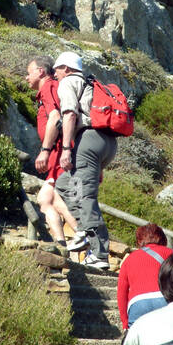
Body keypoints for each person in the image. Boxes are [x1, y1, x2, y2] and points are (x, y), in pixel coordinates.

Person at [55, 51, 117, 272]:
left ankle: (99, 254)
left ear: (67, 68)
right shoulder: (91, 82)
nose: (55, 74)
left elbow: (70, 114)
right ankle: (83, 229)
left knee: (86, 196)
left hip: (88, 139)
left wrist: (65, 148)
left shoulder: (69, 82)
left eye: (57, 69)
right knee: (64, 185)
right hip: (108, 143)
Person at [25, 57, 82, 252]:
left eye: (29, 72)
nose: (26, 77)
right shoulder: (48, 90)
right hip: (58, 154)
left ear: (41, 71)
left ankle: (81, 234)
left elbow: (55, 117)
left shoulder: (49, 86)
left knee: (58, 198)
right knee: (45, 200)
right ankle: (61, 245)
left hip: (59, 154)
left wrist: (44, 151)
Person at [117, 223, 173, 331]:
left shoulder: (129, 259)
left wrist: (125, 323)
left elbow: (121, 293)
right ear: (162, 238)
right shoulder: (171, 253)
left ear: (139, 240)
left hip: (138, 303)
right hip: (165, 299)